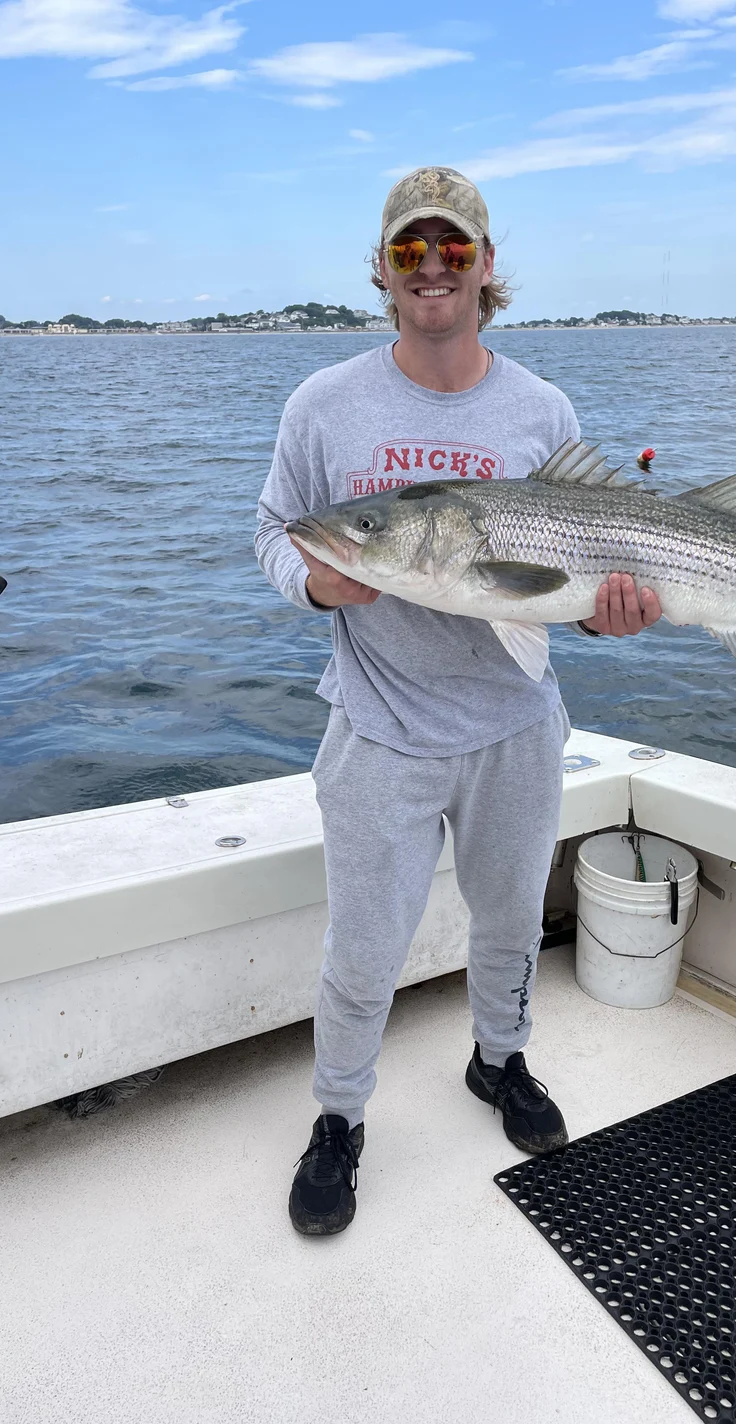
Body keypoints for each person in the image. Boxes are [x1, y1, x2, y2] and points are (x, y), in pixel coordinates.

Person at [255, 166, 661, 1237]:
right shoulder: (322, 404)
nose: (432, 268)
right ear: (383, 274)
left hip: (516, 731)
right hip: (378, 730)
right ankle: (339, 1117)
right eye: (408, 251)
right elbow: (275, 531)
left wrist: (603, 615)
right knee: (363, 950)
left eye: (454, 250)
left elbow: (565, 586)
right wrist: (320, 576)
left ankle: (499, 1061)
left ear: (487, 271)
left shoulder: (543, 409)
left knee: (511, 922)